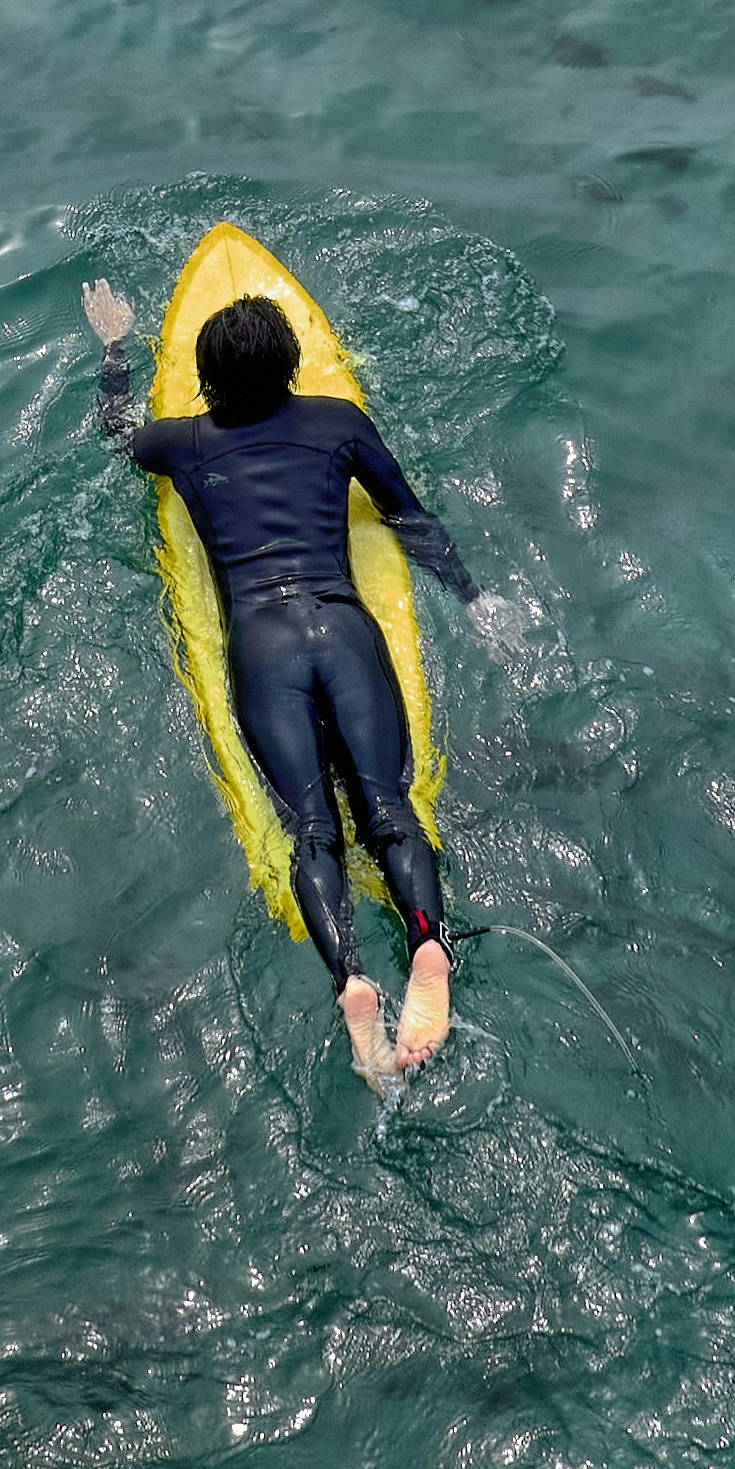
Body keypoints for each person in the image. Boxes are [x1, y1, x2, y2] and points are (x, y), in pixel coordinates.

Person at [83, 279, 473, 1082]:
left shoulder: (181, 444)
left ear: (207, 379)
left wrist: (116, 349)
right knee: (389, 810)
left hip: (262, 647)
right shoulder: (339, 424)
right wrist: (474, 596)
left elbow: (118, 436)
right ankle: (428, 944)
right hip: (343, 627)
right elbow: (408, 515)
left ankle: (353, 983)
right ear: (296, 366)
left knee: (312, 829)